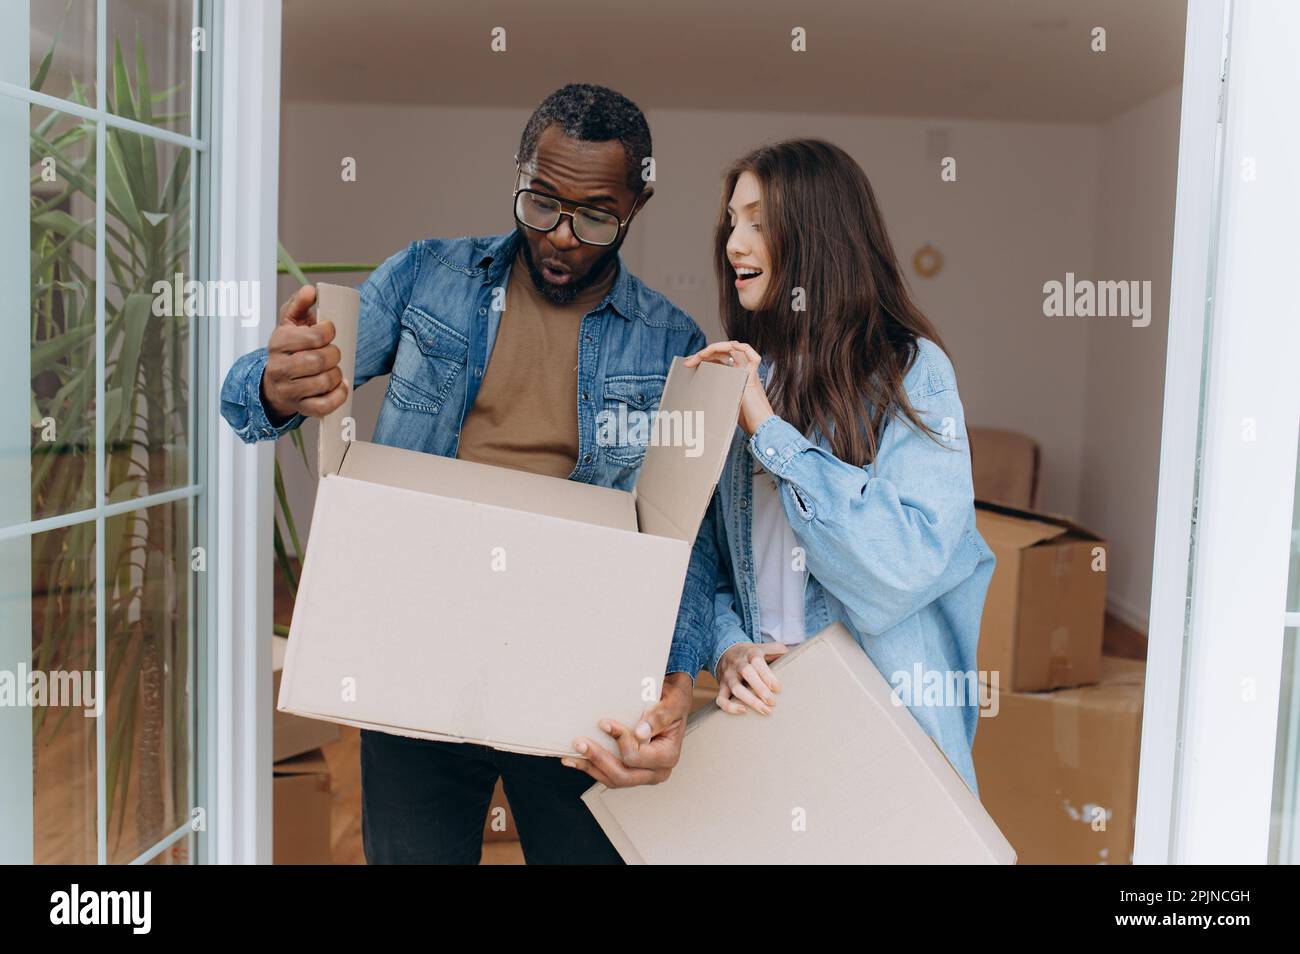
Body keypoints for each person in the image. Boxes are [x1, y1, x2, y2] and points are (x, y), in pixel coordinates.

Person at [220, 84, 716, 863]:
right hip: (415, 653)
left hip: (576, 678)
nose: (560, 238)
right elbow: (263, 386)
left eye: (594, 217)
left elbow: (687, 530)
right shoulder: (429, 278)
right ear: (518, 175)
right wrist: (273, 384)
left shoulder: (669, 344)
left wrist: (679, 674)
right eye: (541, 203)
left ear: (637, 204)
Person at [684, 139, 995, 795]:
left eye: (758, 221)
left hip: (884, 728)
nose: (735, 242)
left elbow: (902, 565)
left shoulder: (911, 374)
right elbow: (712, 563)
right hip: (769, 723)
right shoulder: (748, 378)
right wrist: (730, 649)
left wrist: (769, 431)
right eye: (731, 221)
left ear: (817, 234)